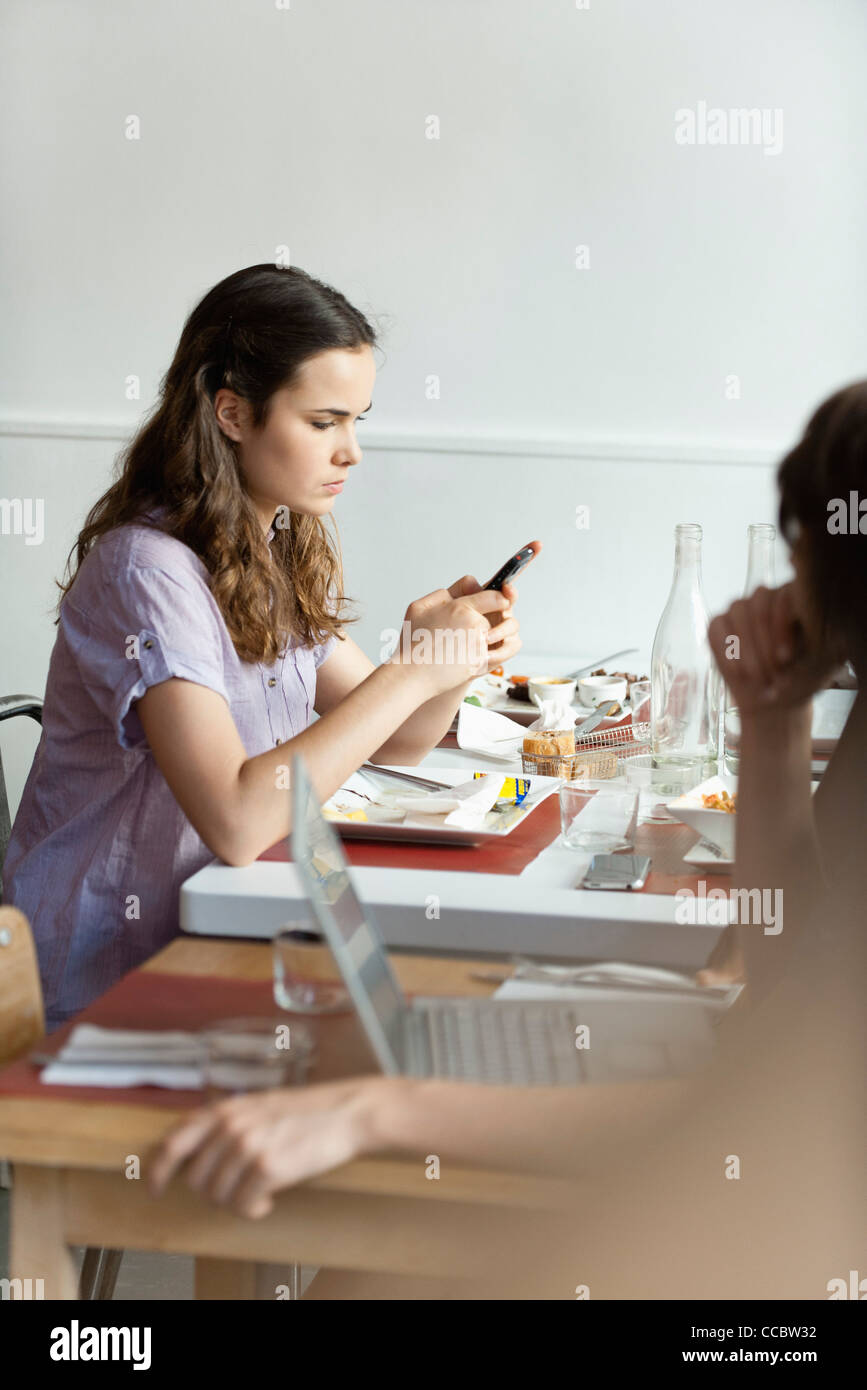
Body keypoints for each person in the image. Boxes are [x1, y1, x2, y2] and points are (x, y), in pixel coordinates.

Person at [148, 381, 865, 1299]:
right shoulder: (176, 565)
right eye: (329, 421)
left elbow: (773, 1106)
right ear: (231, 413)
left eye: (799, 549)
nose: (774, 583)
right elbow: (792, 972)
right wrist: (769, 721)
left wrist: (381, 1111)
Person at [4, 263, 531, 1029]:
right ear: (232, 413)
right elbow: (239, 819)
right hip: (109, 976)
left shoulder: (267, 544)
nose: (350, 451)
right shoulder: (147, 570)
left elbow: (401, 743)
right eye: (323, 423)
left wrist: (446, 664)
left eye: (357, 421)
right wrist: (410, 671)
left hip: (220, 927)